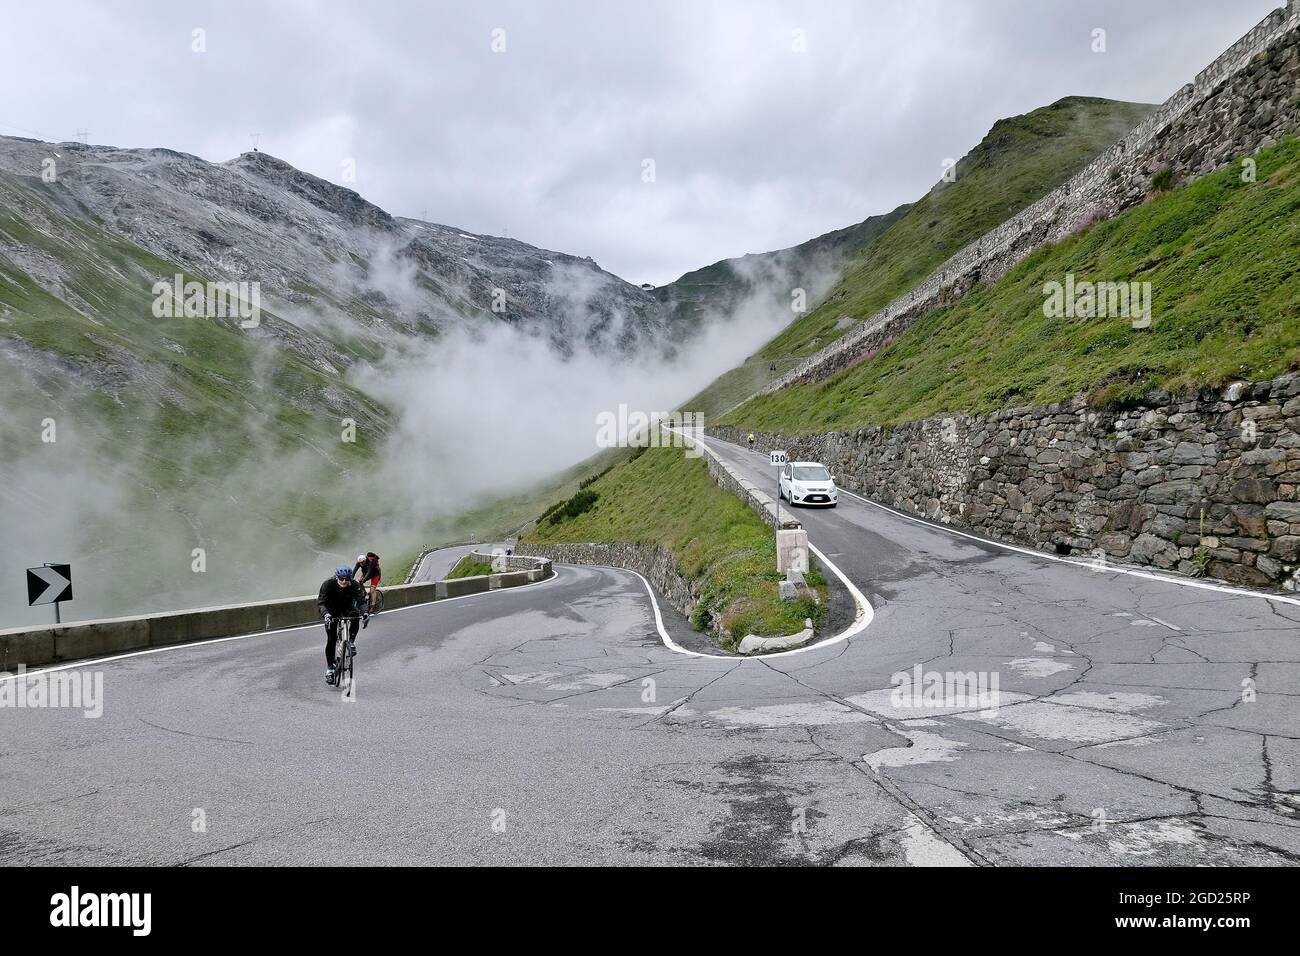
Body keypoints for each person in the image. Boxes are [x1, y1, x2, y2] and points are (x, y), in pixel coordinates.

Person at [319, 565, 366, 684]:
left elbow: (361, 601)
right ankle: (329, 669)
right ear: (336, 577)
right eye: (341, 578)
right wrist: (326, 614)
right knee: (331, 639)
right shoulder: (328, 584)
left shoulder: (354, 585)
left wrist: (365, 613)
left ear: (350, 578)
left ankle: (351, 642)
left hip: (347, 608)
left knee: (355, 614)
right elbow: (321, 602)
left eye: (346, 579)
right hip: (331, 611)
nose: (344, 581)